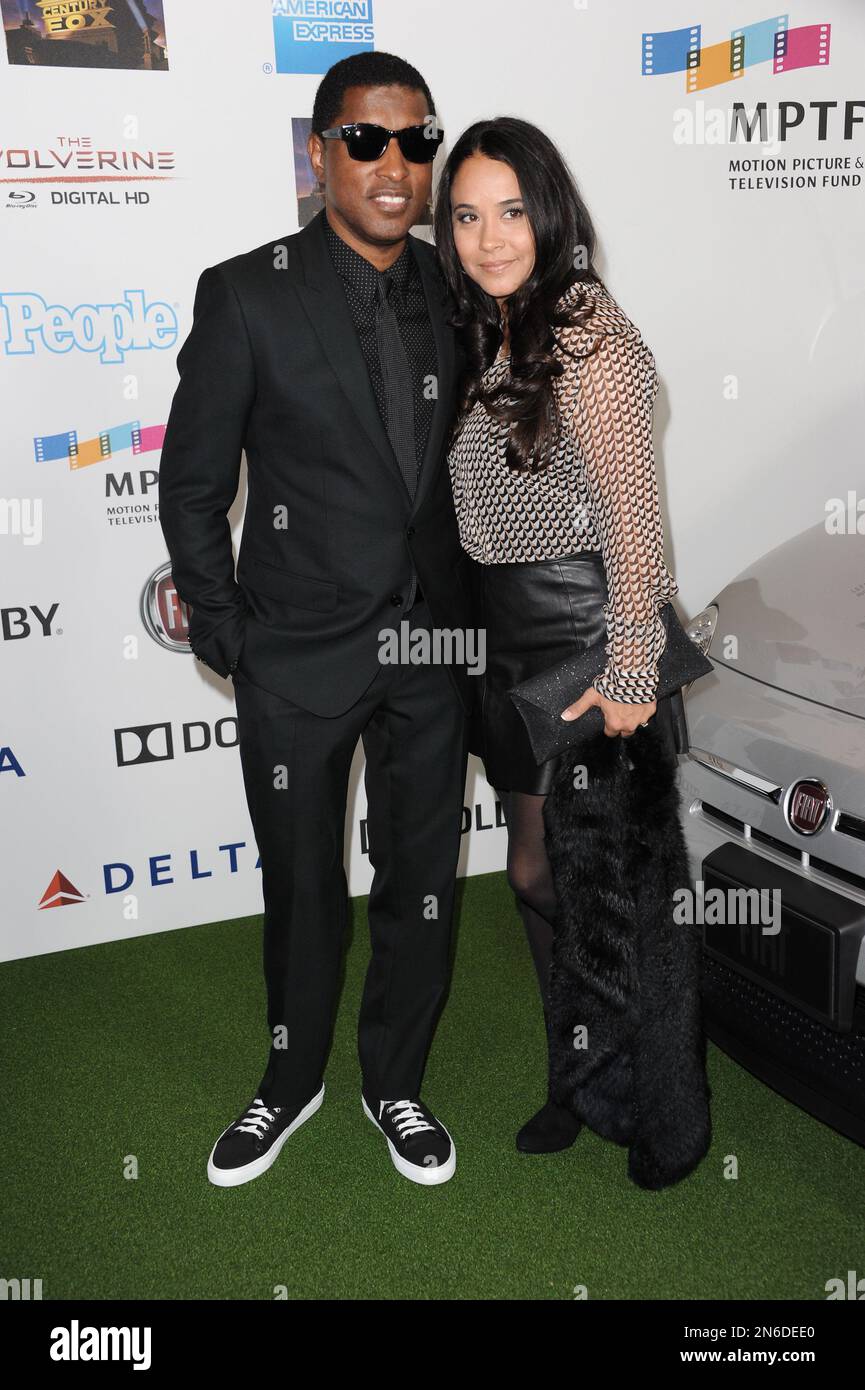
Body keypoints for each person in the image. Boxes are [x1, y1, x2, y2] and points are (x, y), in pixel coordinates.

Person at [159, 52, 472, 1188]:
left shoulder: (454, 285)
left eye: (415, 140)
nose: (394, 167)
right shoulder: (248, 291)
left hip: (432, 654)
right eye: (366, 140)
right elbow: (192, 485)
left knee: (421, 876)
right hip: (295, 655)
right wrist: (228, 636)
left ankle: (396, 1081)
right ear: (319, 150)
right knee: (301, 889)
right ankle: (288, 1086)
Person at [435, 117, 682, 1154]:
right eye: (465, 215)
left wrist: (631, 665)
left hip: (589, 644)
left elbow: (635, 518)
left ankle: (664, 1116)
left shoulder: (587, 334)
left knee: (613, 891)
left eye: (508, 211)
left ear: (550, 212)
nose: (488, 236)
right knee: (537, 878)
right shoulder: (497, 328)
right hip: (515, 650)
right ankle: (577, 1080)